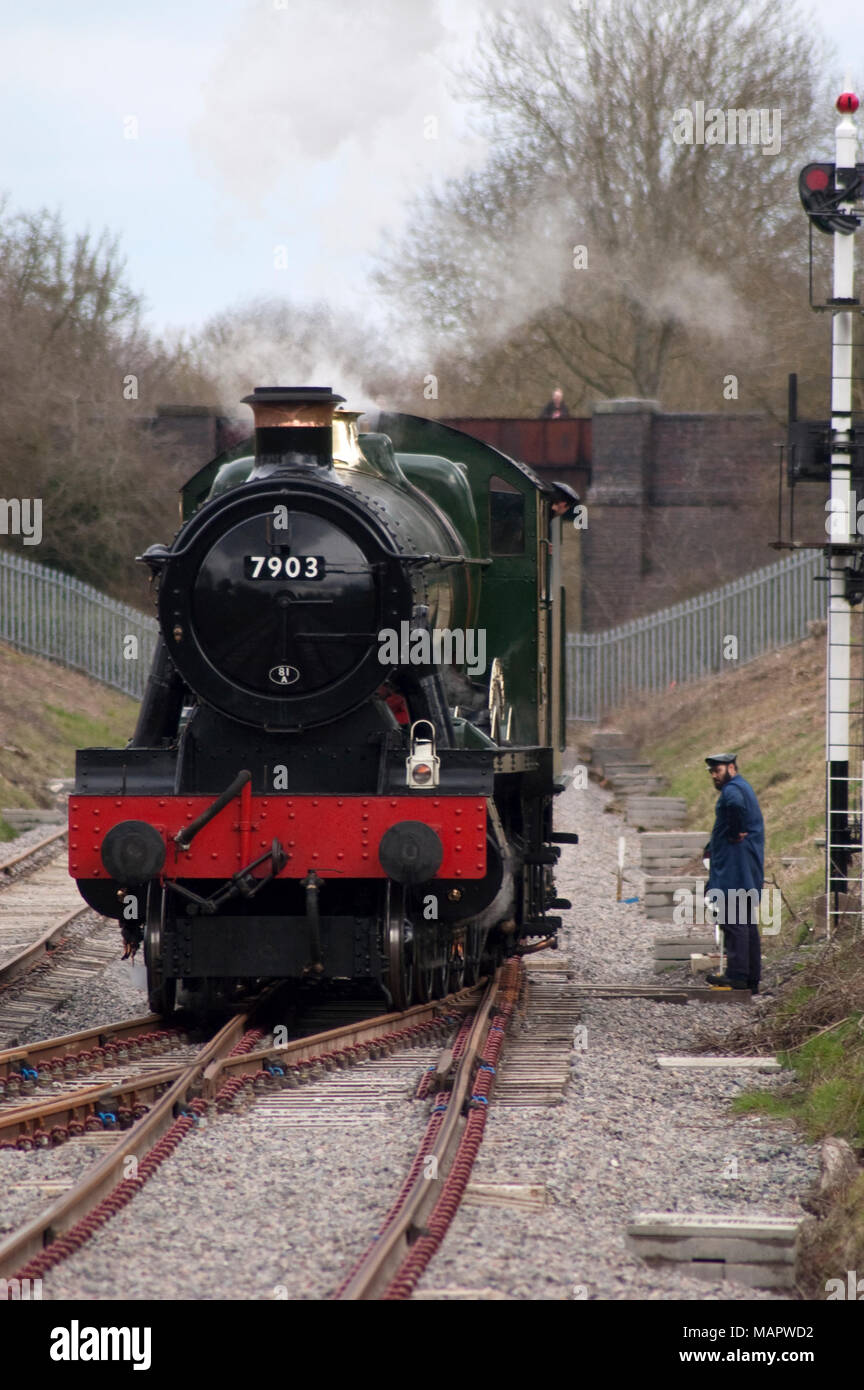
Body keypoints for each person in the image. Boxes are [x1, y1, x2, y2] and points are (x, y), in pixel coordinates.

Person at [703, 753, 764, 994]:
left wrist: (734, 831)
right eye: (712, 773)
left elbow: (735, 806)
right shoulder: (742, 786)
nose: (714, 776)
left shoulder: (732, 790)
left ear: (731, 767)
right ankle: (750, 978)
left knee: (733, 918)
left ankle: (737, 976)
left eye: (717, 771)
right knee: (746, 922)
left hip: (734, 867)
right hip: (743, 867)